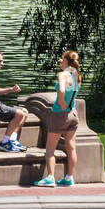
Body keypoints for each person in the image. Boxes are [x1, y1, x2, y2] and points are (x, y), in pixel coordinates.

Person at [35, 51, 82, 187]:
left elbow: (62, 89)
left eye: (62, 59)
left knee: (50, 148)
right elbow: (68, 83)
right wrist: (64, 66)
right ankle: (69, 178)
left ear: (66, 60)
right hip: (72, 114)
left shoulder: (63, 75)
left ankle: (50, 178)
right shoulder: (76, 75)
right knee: (71, 148)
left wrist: (61, 102)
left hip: (59, 114)